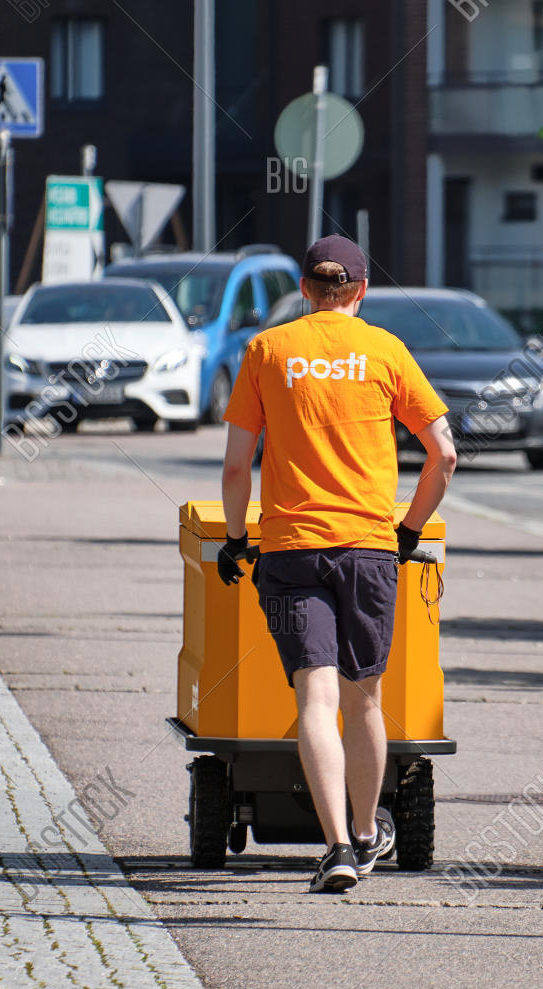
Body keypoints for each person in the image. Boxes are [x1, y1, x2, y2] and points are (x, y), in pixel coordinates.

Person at [216, 235, 456, 893]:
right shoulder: (386, 351)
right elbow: (445, 453)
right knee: (365, 696)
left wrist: (238, 539)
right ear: (361, 291)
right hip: (371, 550)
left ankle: (338, 848)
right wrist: (407, 530)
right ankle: (370, 830)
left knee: (313, 696)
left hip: (293, 548)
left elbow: (238, 465)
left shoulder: (267, 351)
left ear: (303, 289)